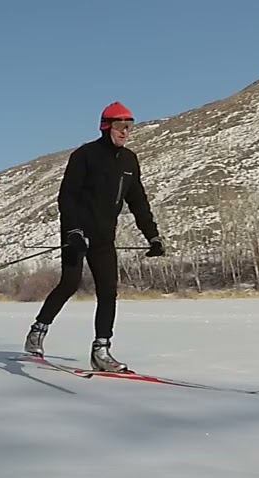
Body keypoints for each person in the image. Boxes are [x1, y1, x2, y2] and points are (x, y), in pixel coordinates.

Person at [23, 101, 165, 372]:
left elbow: (138, 201)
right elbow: (67, 197)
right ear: (106, 127)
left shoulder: (129, 161)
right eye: (120, 126)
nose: (126, 132)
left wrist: (153, 236)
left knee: (108, 291)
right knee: (70, 283)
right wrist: (74, 231)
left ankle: (101, 350)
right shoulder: (85, 155)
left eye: (129, 127)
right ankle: (37, 332)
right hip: (76, 232)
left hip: (104, 235)